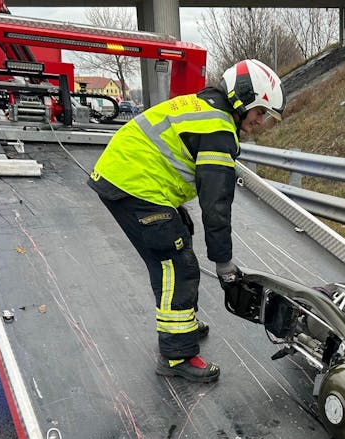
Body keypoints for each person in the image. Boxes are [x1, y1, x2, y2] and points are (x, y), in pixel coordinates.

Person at [87, 59, 285, 383]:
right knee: (175, 262)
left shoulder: (207, 108)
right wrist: (224, 262)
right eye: (260, 112)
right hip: (134, 185)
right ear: (243, 99)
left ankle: (181, 325)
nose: (260, 121)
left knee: (178, 239)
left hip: (129, 178)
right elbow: (216, 204)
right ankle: (177, 355)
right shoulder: (218, 129)